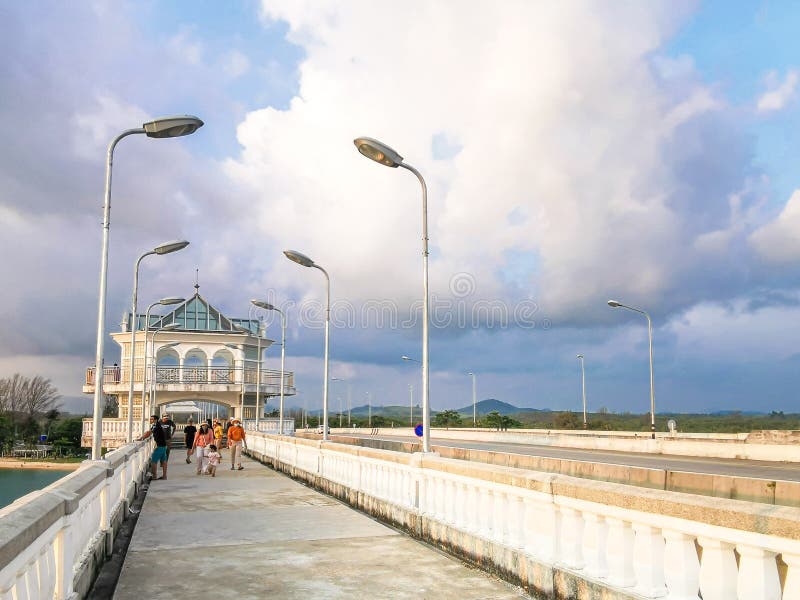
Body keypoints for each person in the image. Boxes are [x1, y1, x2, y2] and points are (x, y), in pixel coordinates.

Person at [137, 414, 169, 480]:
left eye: (152, 419)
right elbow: (148, 431)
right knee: (164, 461)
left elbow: (149, 433)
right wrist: (144, 435)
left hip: (160, 446)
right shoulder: (156, 425)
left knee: (154, 461)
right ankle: (164, 476)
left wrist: (141, 438)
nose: (150, 420)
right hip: (163, 445)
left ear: (155, 420)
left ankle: (154, 476)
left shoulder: (156, 426)